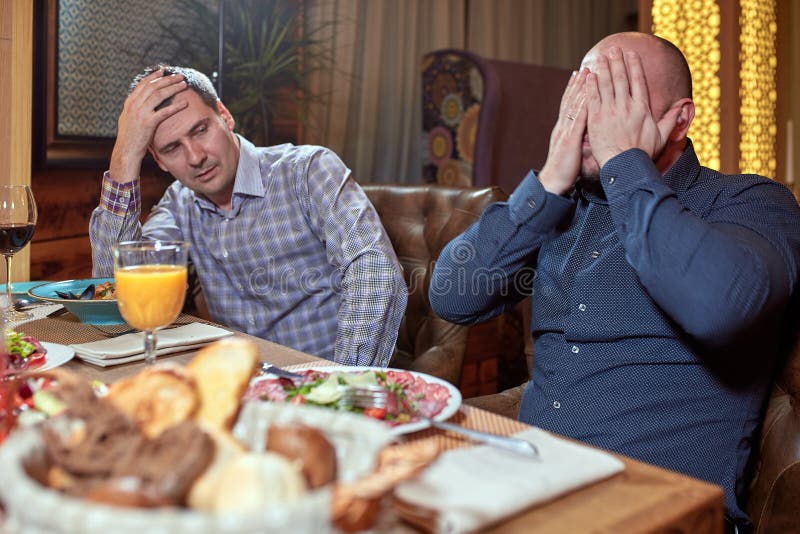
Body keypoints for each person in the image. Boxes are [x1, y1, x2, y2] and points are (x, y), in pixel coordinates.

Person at [429, 32, 800, 530]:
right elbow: (452, 295)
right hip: (525, 487)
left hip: (657, 511)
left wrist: (625, 164)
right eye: (584, 95)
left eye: (618, 96)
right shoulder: (561, 205)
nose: (593, 119)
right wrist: (548, 181)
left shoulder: (748, 202)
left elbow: (721, 306)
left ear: (679, 120)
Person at [91, 65, 407, 366]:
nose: (196, 157)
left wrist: (342, 382)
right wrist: (125, 155)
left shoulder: (307, 171)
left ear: (224, 115)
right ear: (158, 160)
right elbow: (115, 297)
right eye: (172, 148)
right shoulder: (179, 204)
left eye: (200, 130)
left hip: (322, 380)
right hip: (241, 387)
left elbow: (375, 271)